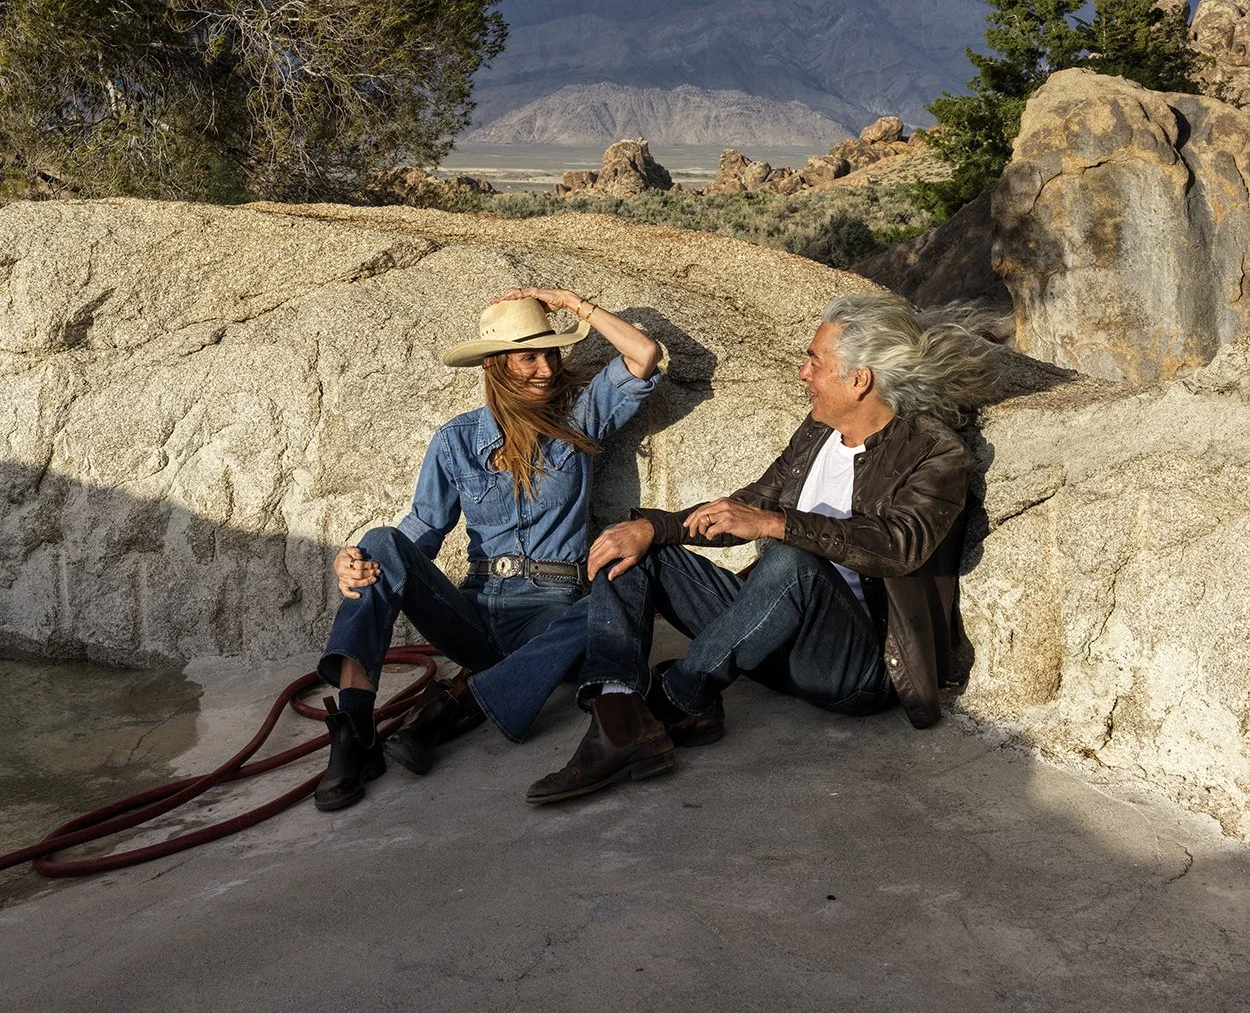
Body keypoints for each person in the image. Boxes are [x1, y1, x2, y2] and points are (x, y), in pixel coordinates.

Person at [526, 291, 1000, 805]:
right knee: (632, 548)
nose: (803, 373)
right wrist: (656, 528)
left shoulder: (935, 452)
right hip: (769, 633)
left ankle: (679, 697)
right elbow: (750, 506)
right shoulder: (819, 431)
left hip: (855, 666)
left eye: (815, 362)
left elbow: (901, 546)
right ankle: (617, 717)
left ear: (859, 379)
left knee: (793, 559)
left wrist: (779, 524)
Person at [315, 287, 662, 811]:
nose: (546, 368)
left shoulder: (578, 420)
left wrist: (573, 303)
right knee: (378, 542)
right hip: (475, 611)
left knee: (615, 599)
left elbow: (643, 355)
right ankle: (355, 732)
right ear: (498, 365)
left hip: (551, 608)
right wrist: (360, 562)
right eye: (529, 356)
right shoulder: (454, 441)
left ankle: (464, 700)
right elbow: (420, 534)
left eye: (552, 353)